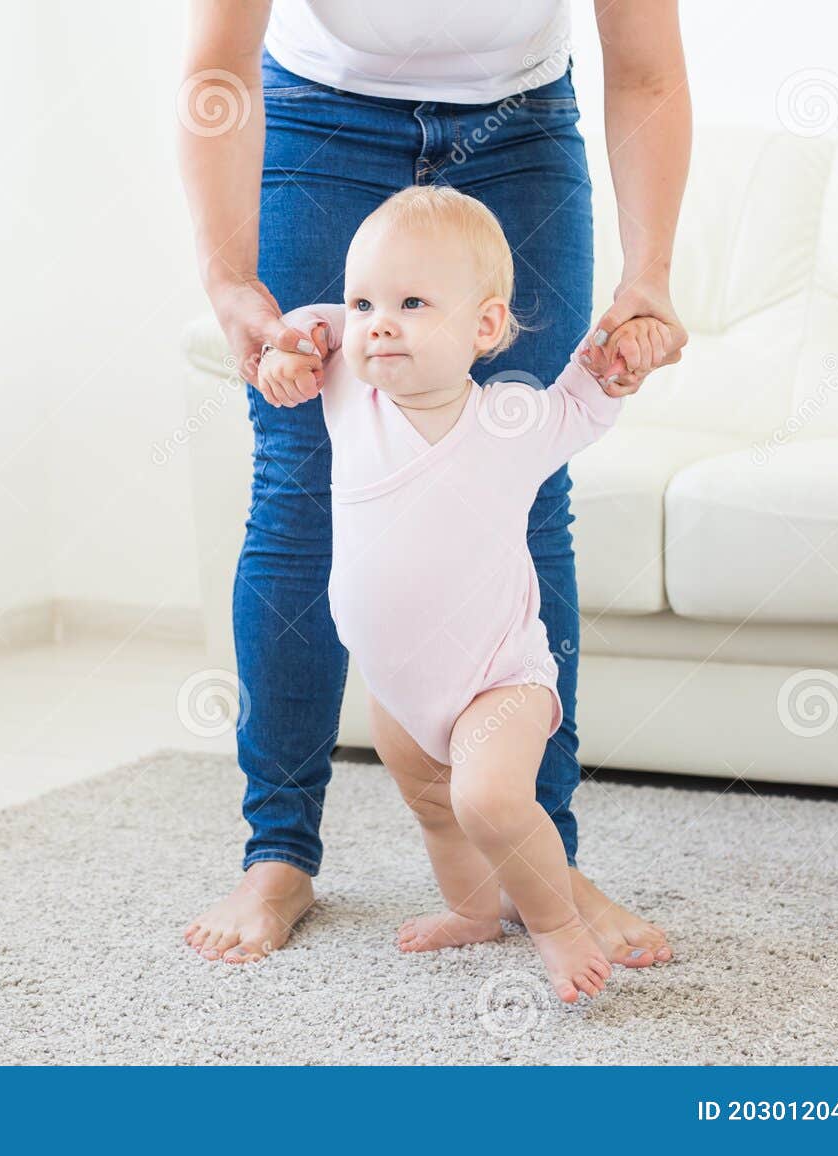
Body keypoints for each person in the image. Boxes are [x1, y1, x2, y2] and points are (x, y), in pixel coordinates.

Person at [178, 0, 691, 965]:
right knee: (297, 477)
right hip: (318, 114)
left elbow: (649, 69)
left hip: (522, 122)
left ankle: (545, 859)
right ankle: (278, 853)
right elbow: (219, 64)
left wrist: (651, 273)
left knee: (524, 483)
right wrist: (227, 279)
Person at [262, 186, 670, 1001]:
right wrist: (289, 349)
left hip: (497, 679)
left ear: (485, 327)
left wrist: (611, 362)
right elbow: (313, 322)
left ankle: (554, 923)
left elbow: (586, 404)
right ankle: (472, 912)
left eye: (412, 303)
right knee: (433, 807)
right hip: (396, 683)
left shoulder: (512, 421)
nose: (378, 322)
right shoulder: (349, 394)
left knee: (485, 799)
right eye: (366, 301)